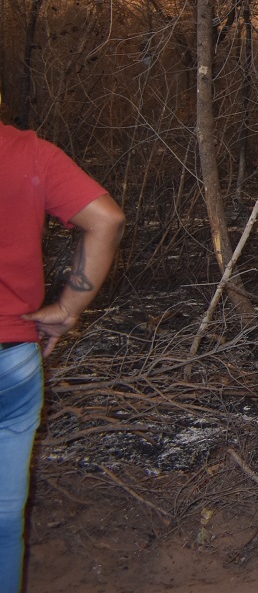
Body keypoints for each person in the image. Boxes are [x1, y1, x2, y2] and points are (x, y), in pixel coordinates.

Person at [1, 122, 124, 593]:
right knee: (5, 520)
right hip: (13, 362)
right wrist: (68, 308)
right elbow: (106, 218)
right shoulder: (27, 153)